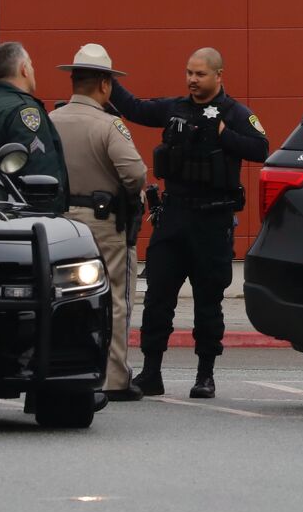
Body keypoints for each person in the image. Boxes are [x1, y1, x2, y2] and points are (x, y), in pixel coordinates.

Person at [108, 48, 269, 400]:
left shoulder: (234, 113)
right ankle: (152, 373)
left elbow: (261, 148)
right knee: (158, 298)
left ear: (218, 75)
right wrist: (107, 77)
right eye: (189, 73)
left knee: (208, 302)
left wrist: (224, 134)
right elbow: (134, 109)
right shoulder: (174, 108)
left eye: (200, 74)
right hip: (174, 218)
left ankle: (205, 376)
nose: (192, 80)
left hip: (212, 222)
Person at [48, 44, 149, 402]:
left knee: (64, 297)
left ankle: (65, 368)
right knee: (115, 298)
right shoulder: (109, 125)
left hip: (60, 223)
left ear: (74, 81)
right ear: (105, 85)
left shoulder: (52, 120)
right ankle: (114, 377)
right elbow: (135, 175)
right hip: (104, 224)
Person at [0, 42, 68, 201]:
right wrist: (49, 210)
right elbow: (39, 174)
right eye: (31, 65)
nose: (33, 71)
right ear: (24, 69)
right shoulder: (25, 111)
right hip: (24, 212)